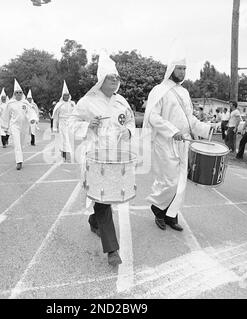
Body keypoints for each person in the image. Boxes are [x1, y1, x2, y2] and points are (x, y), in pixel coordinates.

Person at [142, 40, 216, 232]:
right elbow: (152, 116)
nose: (182, 72)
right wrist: (172, 131)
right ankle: (158, 209)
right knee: (169, 180)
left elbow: (189, 118)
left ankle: (171, 214)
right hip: (165, 143)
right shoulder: (159, 90)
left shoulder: (184, 92)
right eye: (179, 68)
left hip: (183, 143)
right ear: (171, 69)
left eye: (185, 68)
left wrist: (205, 129)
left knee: (181, 181)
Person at [69, 51, 134, 266]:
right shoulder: (87, 102)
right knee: (103, 199)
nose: (115, 81)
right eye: (111, 77)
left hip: (115, 158)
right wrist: (87, 125)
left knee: (105, 198)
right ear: (101, 80)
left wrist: (129, 133)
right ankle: (112, 250)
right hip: (94, 157)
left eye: (117, 78)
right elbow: (71, 123)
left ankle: (93, 220)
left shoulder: (122, 102)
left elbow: (131, 122)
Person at [0, 79, 32, 170]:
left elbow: (30, 113)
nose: (18, 94)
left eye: (20, 92)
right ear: (14, 94)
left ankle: (19, 156)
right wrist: (5, 127)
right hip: (15, 126)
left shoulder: (25, 103)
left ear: (22, 94)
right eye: (17, 92)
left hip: (24, 126)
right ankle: (19, 161)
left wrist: (33, 119)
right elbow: (6, 115)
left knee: (21, 144)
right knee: (17, 143)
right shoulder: (10, 104)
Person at [53, 80, 75, 161]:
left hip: (70, 123)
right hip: (62, 123)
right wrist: (55, 127)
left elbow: (75, 114)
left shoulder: (72, 103)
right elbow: (55, 117)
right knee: (64, 138)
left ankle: (63, 151)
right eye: (65, 95)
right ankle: (67, 155)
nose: (66, 96)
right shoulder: (59, 105)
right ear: (62, 96)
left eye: (67, 95)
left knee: (69, 138)